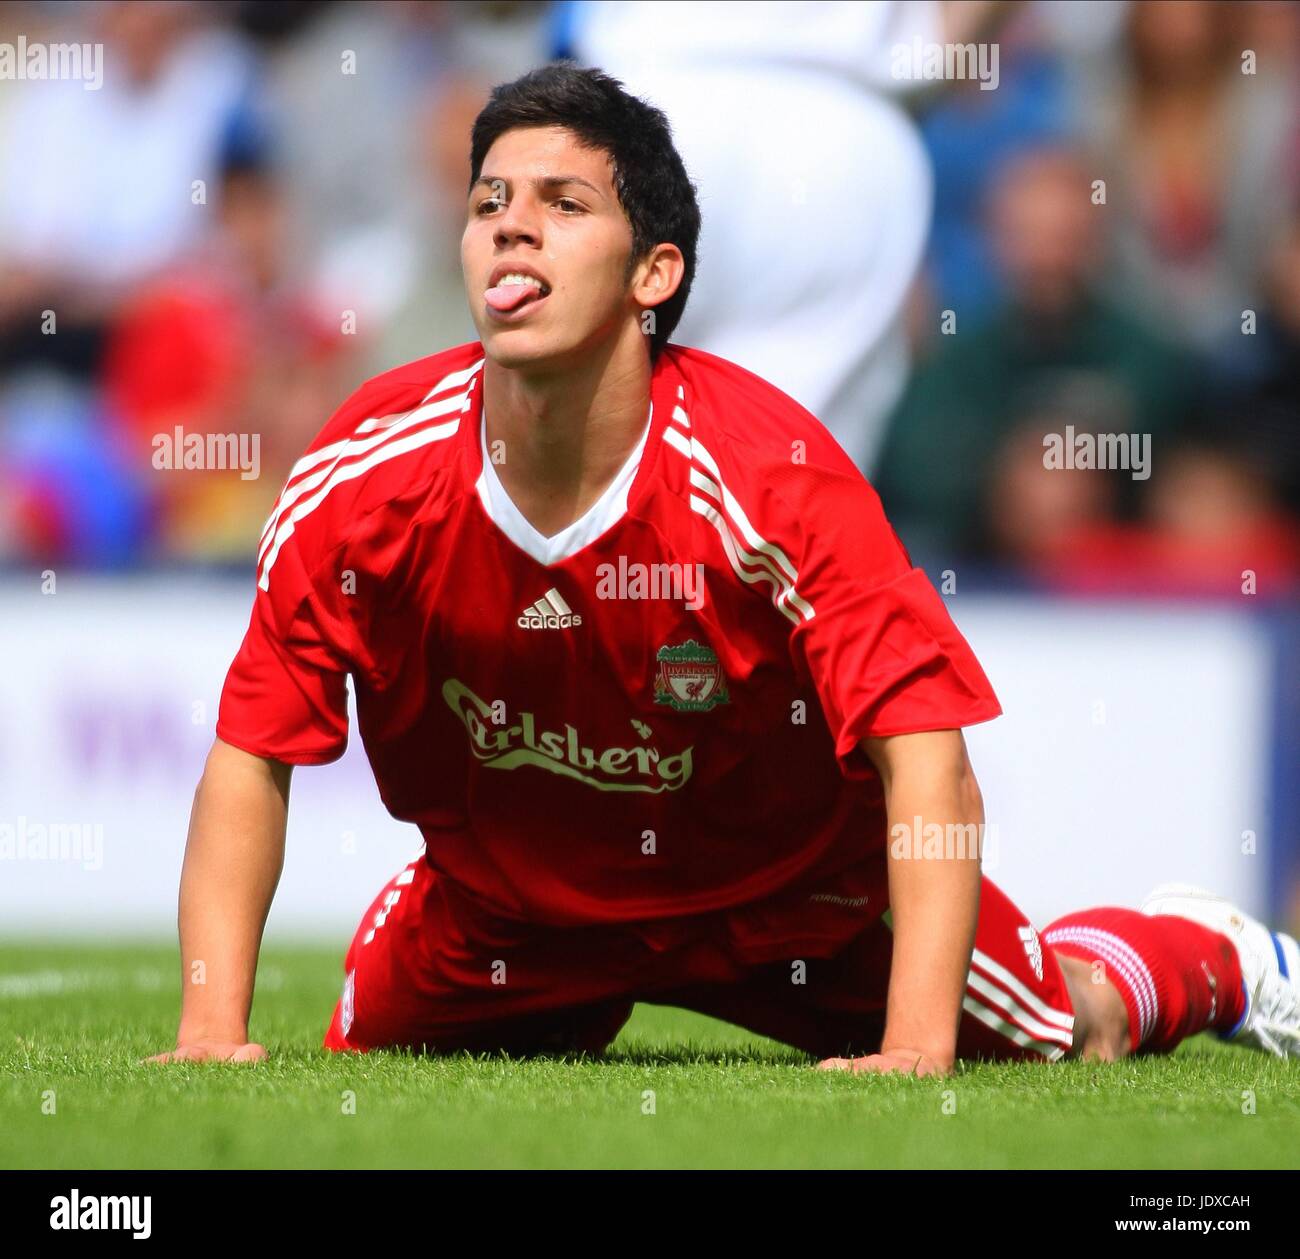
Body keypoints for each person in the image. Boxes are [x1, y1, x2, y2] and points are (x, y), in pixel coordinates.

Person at [147, 66, 1299, 1077]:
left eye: (561, 204)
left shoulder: (774, 478)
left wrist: (911, 1049)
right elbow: (253, 748)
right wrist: (210, 1027)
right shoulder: (359, 475)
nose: (510, 227)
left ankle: (1215, 954)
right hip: (514, 914)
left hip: (797, 902)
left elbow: (927, 761)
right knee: (368, 1062)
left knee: (1070, 1027)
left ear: (654, 273)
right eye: (490, 200)